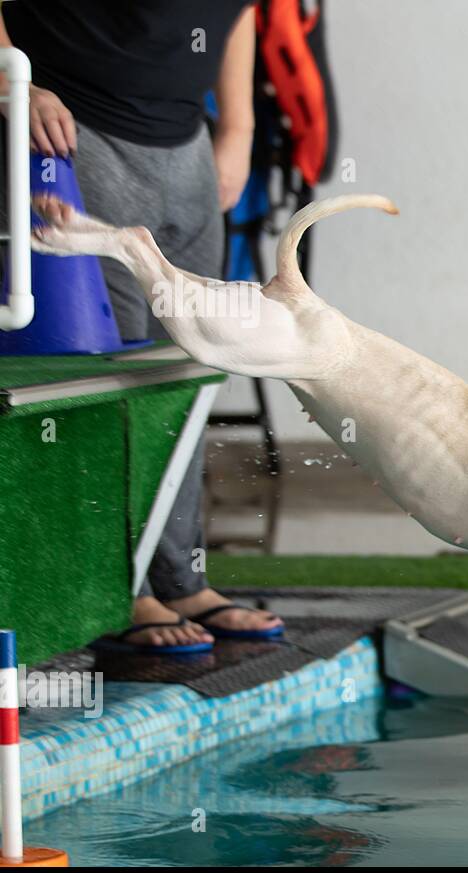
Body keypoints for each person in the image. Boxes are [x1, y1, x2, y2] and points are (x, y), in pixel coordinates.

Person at [0, 0, 283, 648]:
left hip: (187, 148)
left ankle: (180, 578)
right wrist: (13, 82)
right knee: (116, 384)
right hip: (77, 140)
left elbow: (237, 11)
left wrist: (237, 127)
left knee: (184, 376)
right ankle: (120, 592)